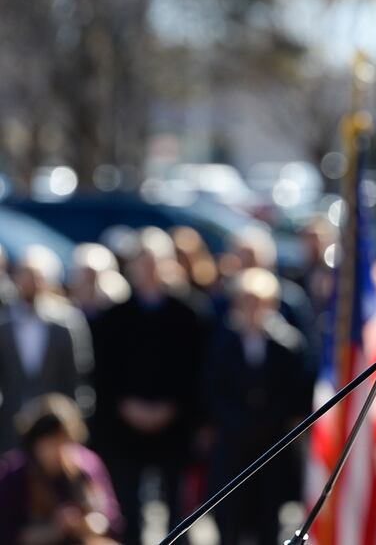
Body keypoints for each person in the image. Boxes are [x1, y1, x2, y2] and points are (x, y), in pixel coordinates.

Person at [91, 228, 207, 545]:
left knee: (177, 511)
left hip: (174, 426)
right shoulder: (115, 317)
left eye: (156, 261)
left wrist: (171, 408)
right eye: (143, 260)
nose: (150, 268)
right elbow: (104, 372)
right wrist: (127, 406)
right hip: (124, 428)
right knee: (128, 510)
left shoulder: (187, 314)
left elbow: (194, 370)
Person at [205, 267, 311, 545]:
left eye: (259, 302)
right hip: (232, 446)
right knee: (230, 521)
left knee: (268, 521)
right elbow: (213, 392)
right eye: (246, 301)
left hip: (271, 447)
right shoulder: (221, 344)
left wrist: (268, 423)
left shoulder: (287, 344)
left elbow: (293, 395)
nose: (253, 309)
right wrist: (238, 422)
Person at [0, 246, 93, 452]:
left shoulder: (67, 322)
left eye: (36, 276)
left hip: (54, 428)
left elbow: (76, 376)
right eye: (25, 275)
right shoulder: (4, 324)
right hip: (11, 425)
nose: (30, 283)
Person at [0, 393, 122, 544]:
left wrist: (88, 524)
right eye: (50, 441)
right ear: (34, 443)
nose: (57, 450)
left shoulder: (87, 466)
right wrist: (54, 528)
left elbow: (111, 519)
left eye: (63, 440)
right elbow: (7, 532)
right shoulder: (14, 473)